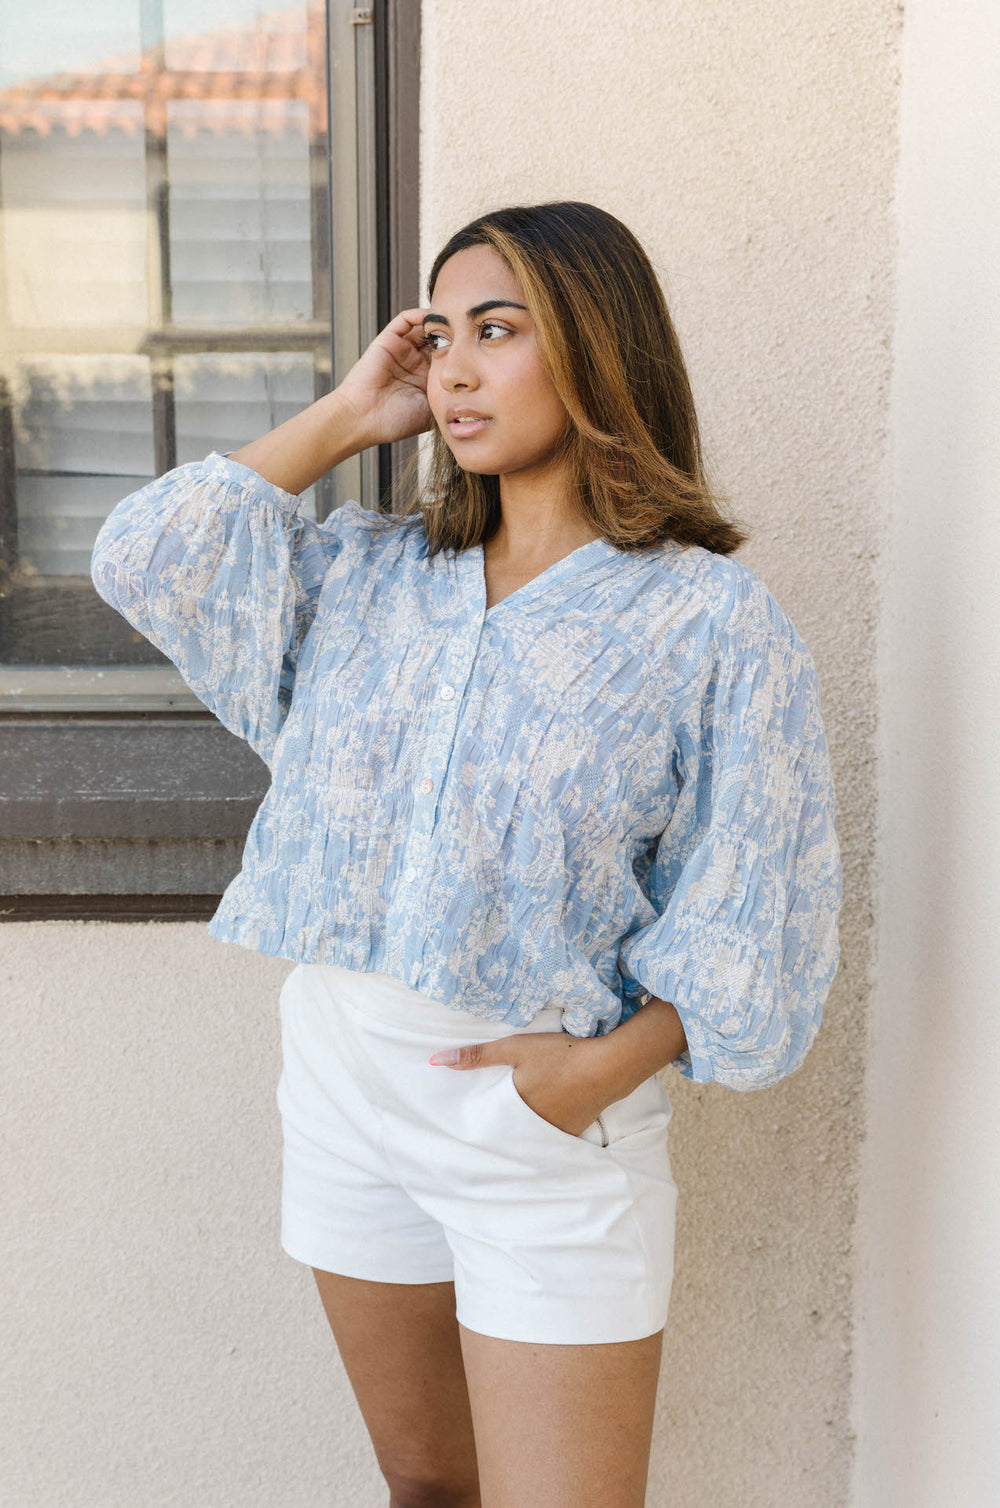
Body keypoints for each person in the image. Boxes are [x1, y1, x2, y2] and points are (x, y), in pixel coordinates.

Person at [90, 200, 842, 1508]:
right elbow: (150, 557)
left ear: (597, 350)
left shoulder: (707, 620)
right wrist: (345, 416)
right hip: (342, 1092)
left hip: (543, 1123)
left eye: (498, 332)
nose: (453, 368)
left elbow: (755, 901)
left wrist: (595, 1072)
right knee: (428, 1491)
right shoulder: (366, 578)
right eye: (440, 338)